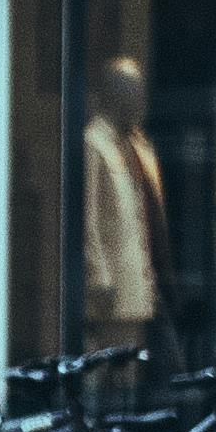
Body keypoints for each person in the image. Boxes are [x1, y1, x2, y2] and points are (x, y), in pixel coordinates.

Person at [82, 53, 172, 357]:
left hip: (140, 285)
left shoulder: (138, 145)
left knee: (135, 374)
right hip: (113, 291)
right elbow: (88, 218)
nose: (141, 101)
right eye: (134, 92)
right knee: (111, 367)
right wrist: (99, 279)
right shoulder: (94, 142)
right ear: (116, 94)